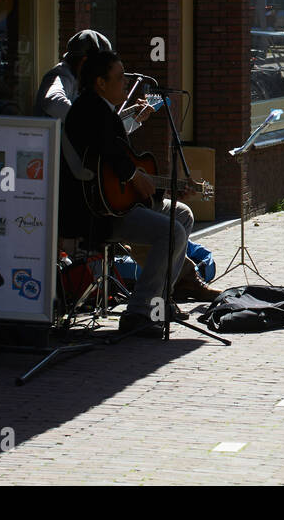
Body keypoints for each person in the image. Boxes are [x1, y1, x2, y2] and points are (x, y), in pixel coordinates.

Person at [58, 50, 196, 336]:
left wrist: (150, 186)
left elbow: (115, 153)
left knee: (181, 215)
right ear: (100, 82)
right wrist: (134, 176)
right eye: (120, 77)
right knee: (171, 232)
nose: (126, 83)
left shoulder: (103, 110)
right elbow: (111, 155)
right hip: (97, 213)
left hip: (115, 204)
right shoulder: (89, 110)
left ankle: (160, 301)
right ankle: (138, 313)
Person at [36, 29, 152, 135]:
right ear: (84, 61)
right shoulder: (61, 74)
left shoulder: (86, 83)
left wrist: (135, 119)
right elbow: (51, 102)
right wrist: (91, 121)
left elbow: (104, 135)